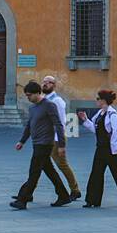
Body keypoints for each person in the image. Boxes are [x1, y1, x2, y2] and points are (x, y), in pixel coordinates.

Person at [11, 80, 70, 209]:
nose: (28, 98)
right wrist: (22, 141)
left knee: (34, 172)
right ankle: (64, 195)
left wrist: (61, 145)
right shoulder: (32, 108)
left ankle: (23, 200)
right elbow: (29, 126)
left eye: (29, 95)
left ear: (38, 93)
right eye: (26, 95)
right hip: (36, 143)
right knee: (49, 171)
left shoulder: (49, 105)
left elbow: (59, 125)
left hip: (45, 144)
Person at [77, 89, 117, 207]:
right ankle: (92, 201)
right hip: (100, 148)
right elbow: (95, 129)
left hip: (112, 150)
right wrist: (85, 120)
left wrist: (114, 150)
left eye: (98, 99)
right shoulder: (100, 114)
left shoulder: (112, 114)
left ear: (104, 100)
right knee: (96, 173)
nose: (96, 101)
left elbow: (116, 132)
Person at [41, 75, 83, 203]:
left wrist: (60, 142)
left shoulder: (57, 101)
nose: (45, 84)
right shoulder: (44, 99)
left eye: (48, 82)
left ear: (54, 85)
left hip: (55, 138)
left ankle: (75, 190)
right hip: (46, 137)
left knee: (62, 165)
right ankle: (26, 192)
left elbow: (61, 122)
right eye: (44, 82)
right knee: (39, 163)